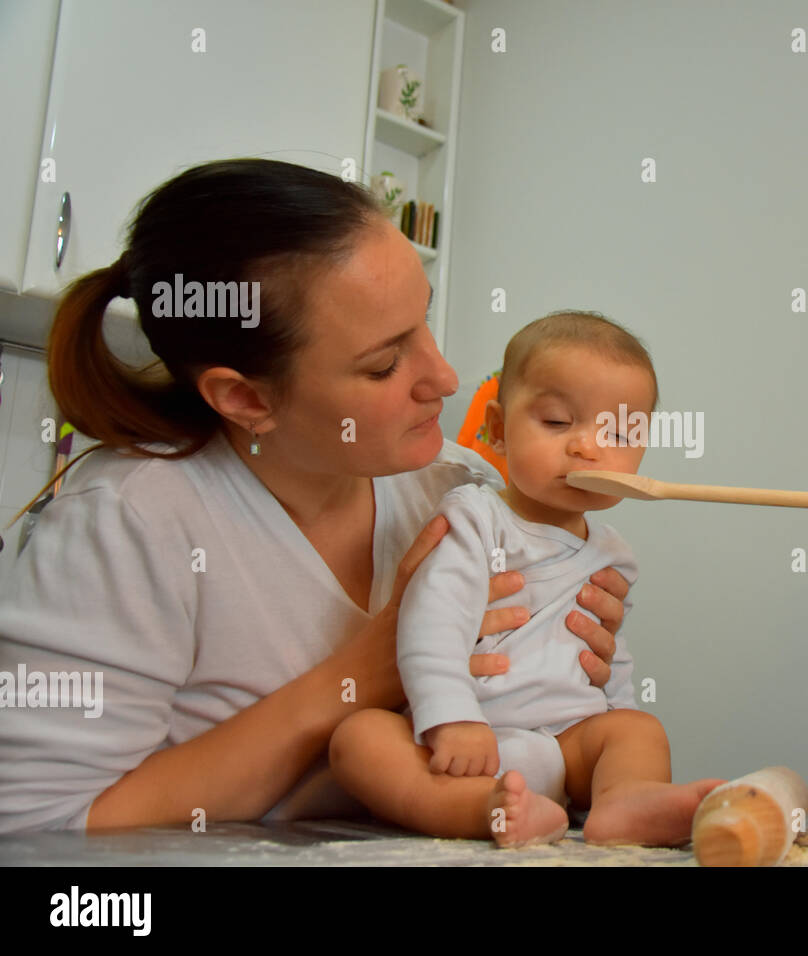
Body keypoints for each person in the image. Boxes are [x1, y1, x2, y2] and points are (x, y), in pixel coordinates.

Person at [0, 159, 633, 833]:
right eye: (385, 363)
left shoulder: (456, 489)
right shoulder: (129, 525)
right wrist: (359, 674)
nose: (444, 378)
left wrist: (569, 642)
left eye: (424, 320)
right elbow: (42, 823)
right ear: (246, 397)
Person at [330, 313, 725, 847]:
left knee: (639, 730)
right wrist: (452, 718)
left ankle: (623, 801)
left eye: (619, 432)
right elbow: (432, 621)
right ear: (497, 426)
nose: (587, 448)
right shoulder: (475, 517)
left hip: (568, 743)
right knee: (360, 740)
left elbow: (607, 656)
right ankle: (485, 810)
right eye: (558, 423)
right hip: (470, 744)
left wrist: (617, 720)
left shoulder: (613, 553)